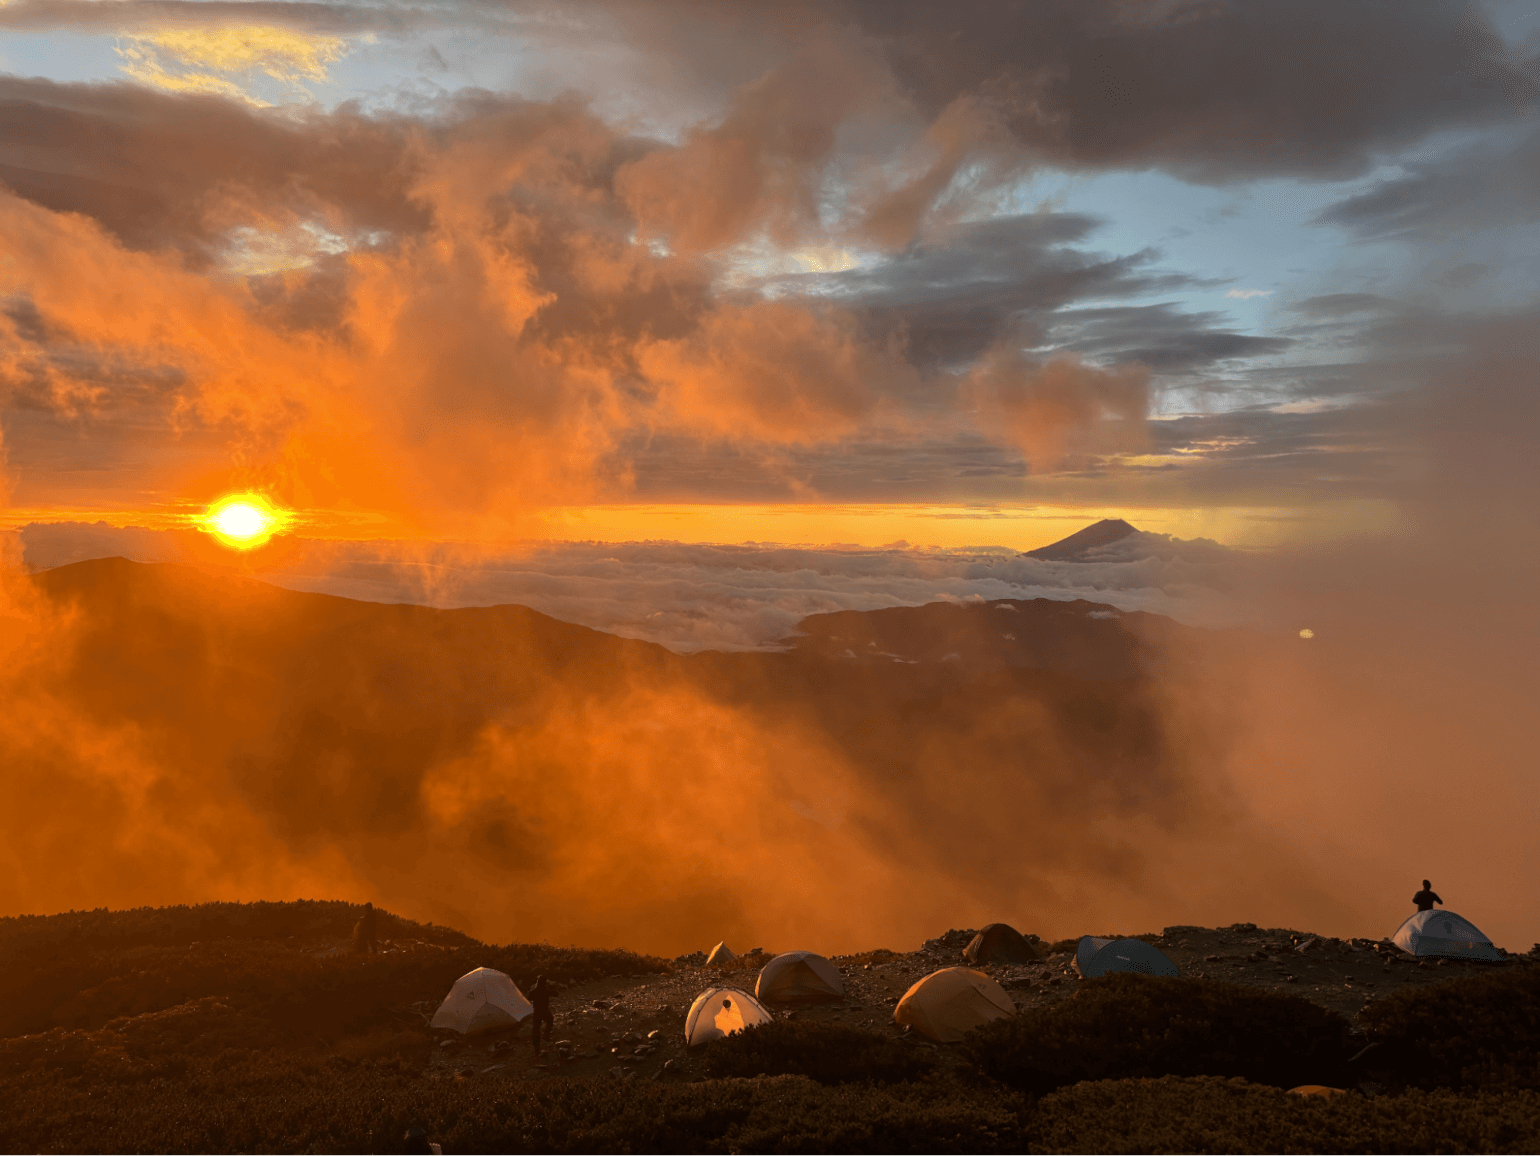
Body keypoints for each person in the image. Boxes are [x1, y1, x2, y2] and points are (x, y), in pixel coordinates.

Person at [529, 975, 554, 1055]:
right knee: (550, 1020)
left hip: (537, 1011)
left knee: (536, 1029)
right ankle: (546, 1034)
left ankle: (536, 1047)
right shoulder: (546, 990)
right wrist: (550, 986)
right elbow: (556, 993)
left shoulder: (534, 991)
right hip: (545, 1010)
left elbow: (529, 997)